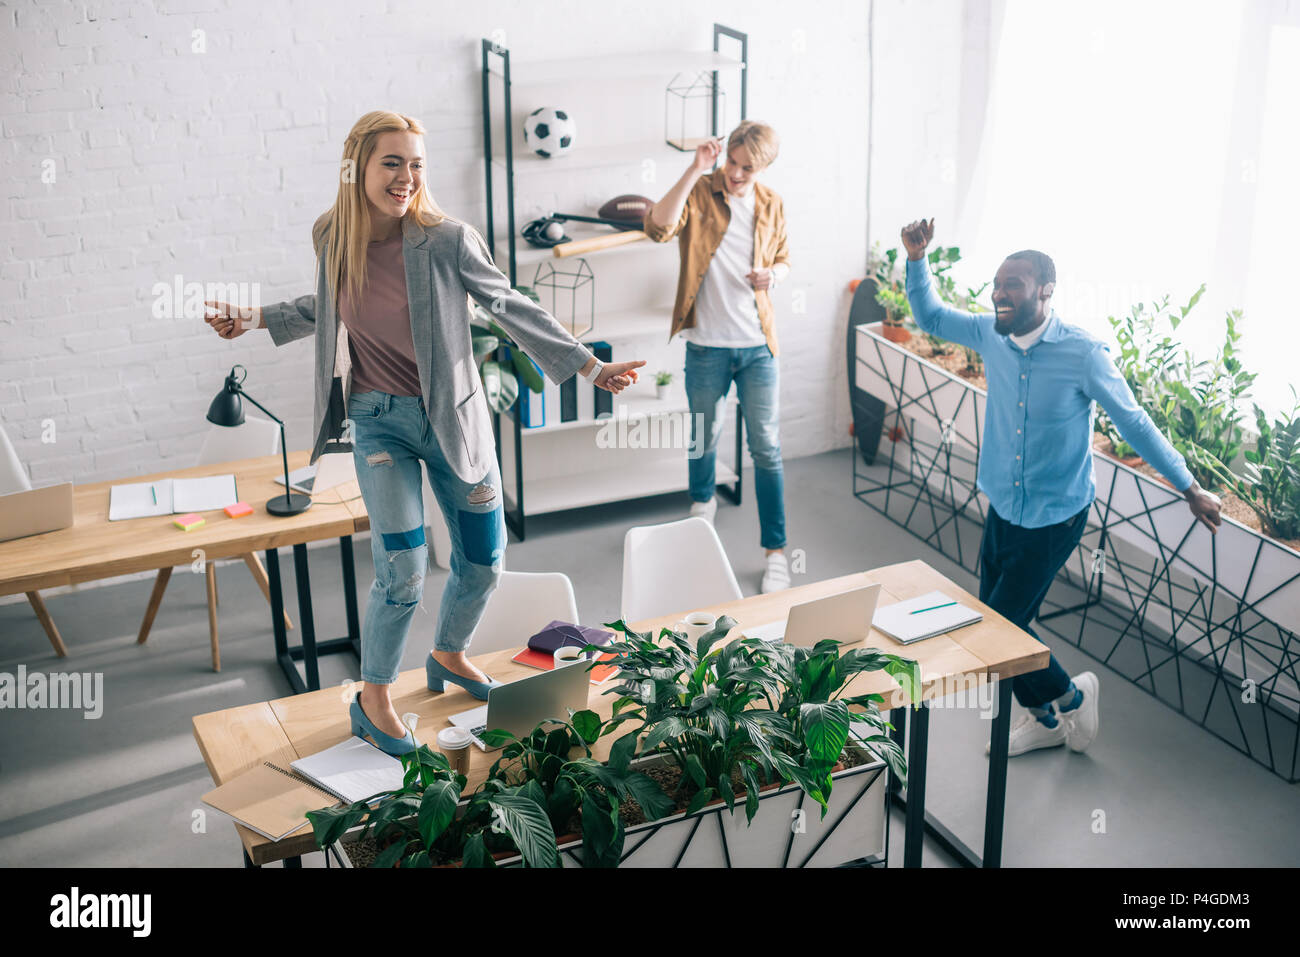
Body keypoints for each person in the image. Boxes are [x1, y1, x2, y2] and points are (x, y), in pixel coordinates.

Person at [205, 110, 643, 755]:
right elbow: (329, 304)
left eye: (416, 164)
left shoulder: (445, 240)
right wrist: (255, 319)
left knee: (483, 563)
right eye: (392, 162)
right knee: (403, 570)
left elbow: (508, 303)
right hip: (379, 423)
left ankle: (448, 655)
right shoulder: (332, 234)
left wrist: (588, 364)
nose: (407, 177)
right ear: (356, 166)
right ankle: (374, 695)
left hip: (454, 422)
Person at [900, 217, 1223, 757]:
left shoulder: (1083, 353)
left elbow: (1135, 422)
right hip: (1003, 501)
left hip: (1055, 515)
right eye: (997, 284)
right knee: (1006, 624)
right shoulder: (988, 332)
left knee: (995, 629)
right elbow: (930, 315)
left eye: (1014, 286)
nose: (1000, 294)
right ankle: (1048, 718)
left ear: (1046, 292)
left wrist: (1190, 486)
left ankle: (1071, 699)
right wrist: (917, 259)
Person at [644, 121, 793, 593]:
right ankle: (700, 509)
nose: (735, 173)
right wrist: (694, 169)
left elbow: (785, 258)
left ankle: (775, 552)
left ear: (764, 167)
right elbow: (658, 227)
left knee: (766, 449)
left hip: (757, 348)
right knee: (703, 437)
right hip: (707, 345)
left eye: (747, 168)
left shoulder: (771, 203)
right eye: (731, 161)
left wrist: (776, 276)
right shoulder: (703, 190)